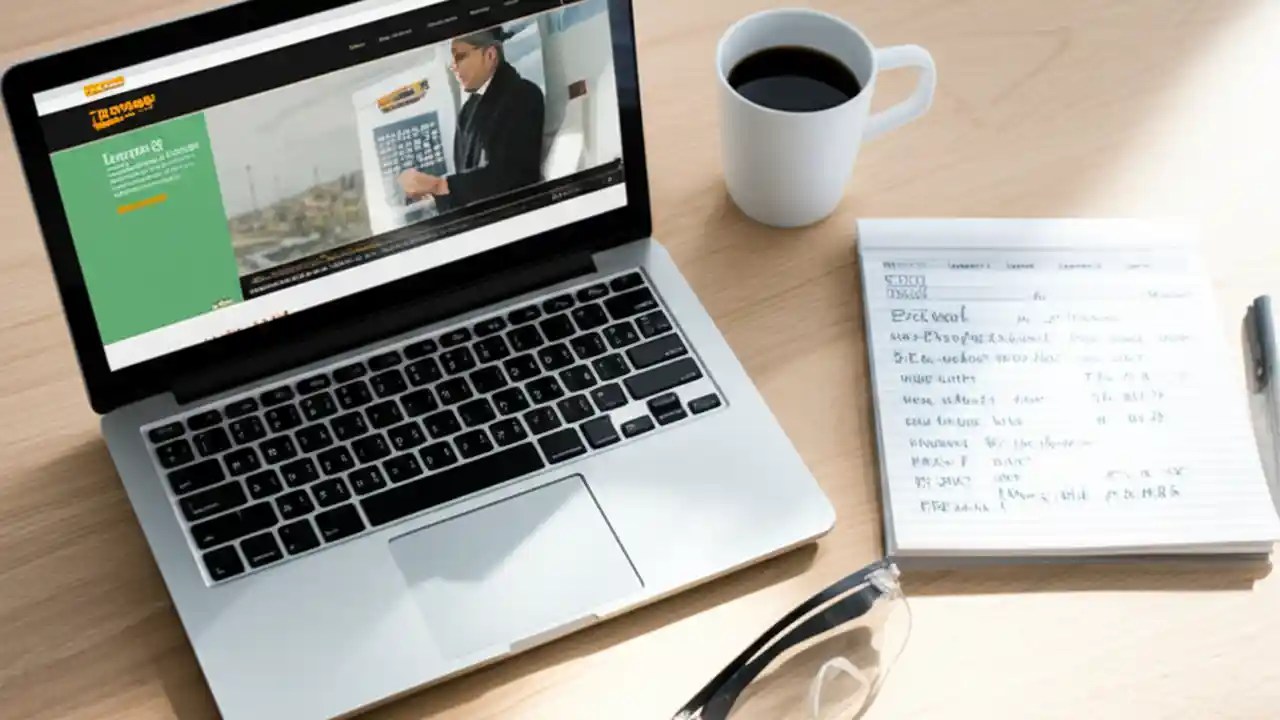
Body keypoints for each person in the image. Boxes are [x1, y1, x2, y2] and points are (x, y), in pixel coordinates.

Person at [398, 27, 545, 211]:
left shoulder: (524, 95)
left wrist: (439, 185)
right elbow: (466, 174)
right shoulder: (467, 112)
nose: (453, 66)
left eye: (460, 56)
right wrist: (432, 193)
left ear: (490, 55)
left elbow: (513, 177)